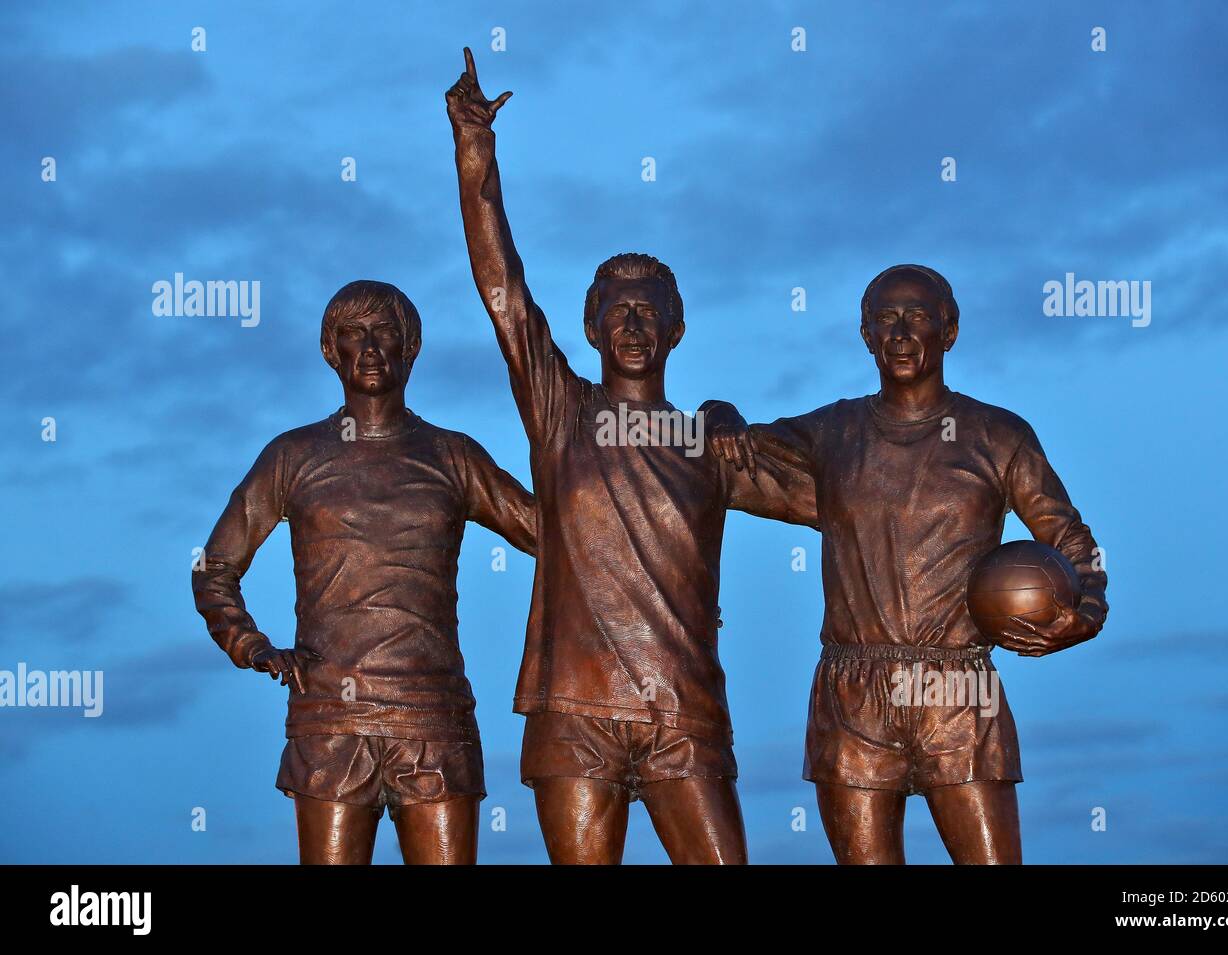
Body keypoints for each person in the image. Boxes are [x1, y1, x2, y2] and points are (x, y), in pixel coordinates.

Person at [445, 49, 816, 864]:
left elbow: (844, 500)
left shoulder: (710, 442)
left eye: (651, 311)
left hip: (685, 713)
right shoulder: (562, 412)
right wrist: (476, 151)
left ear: (677, 330)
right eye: (618, 310)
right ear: (590, 328)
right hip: (575, 713)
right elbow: (502, 287)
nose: (635, 324)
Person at [707, 264, 1108, 863]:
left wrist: (1088, 608)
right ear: (866, 335)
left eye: (916, 316)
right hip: (853, 691)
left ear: (948, 330)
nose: (900, 332)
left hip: (959, 689)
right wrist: (715, 413)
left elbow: (1072, 539)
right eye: (885, 319)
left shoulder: (998, 436)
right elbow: (726, 462)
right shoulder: (832, 433)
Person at [192, 280, 535, 864]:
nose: (371, 347)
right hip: (329, 720)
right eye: (355, 334)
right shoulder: (293, 456)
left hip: (435, 719)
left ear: (411, 348)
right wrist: (251, 645)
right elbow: (214, 567)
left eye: (386, 333)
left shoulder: (453, 456)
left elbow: (562, 539)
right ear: (332, 350)